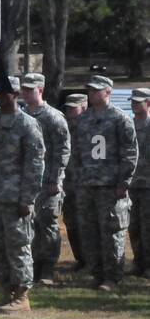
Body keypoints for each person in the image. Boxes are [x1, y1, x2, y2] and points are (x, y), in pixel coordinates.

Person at [0, 77, 45, 312]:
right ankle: (6, 291)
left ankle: (22, 295)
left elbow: (35, 164)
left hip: (16, 197)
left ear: (16, 94)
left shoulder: (27, 124)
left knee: (18, 246)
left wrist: (28, 197)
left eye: (5, 92)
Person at [73, 74, 138, 291]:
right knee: (89, 232)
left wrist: (124, 182)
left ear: (108, 92)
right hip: (87, 184)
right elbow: (77, 151)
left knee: (111, 232)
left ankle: (113, 277)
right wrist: (78, 177)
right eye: (89, 90)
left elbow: (130, 152)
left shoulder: (120, 119)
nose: (91, 94)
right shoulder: (83, 119)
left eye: (96, 90)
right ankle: (97, 273)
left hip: (110, 186)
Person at [20, 73, 70, 285]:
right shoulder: (21, 115)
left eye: (29, 89)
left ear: (40, 90)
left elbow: (62, 150)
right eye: (23, 89)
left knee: (47, 224)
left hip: (48, 182)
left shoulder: (53, 117)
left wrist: (55, 180)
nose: (25, 92)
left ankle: (47, 268)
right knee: (28, 225)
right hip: (27, 183)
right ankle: (31, 266)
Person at [61, 93, 88, 273]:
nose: (70, 111)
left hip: (86, 184)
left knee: (87, 223)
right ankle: (80, 258)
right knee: (70, 222)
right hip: (67, 183)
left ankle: (91, 260)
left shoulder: (91, 127)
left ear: (84, 107)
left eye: (73, 107)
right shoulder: (64, 127)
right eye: (68, 108)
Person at [130, 88, 150, 277]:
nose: (134, 104)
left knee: (148, 226)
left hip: (148, 185)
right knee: (133, 226)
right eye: (133, 101)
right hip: (131, 184)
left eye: (139, 101)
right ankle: (139, 262)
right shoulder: (129, 125)